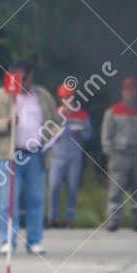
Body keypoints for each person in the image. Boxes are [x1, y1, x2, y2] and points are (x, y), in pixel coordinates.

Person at [0, 60, 52, 254]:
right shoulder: (1, 96)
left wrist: (49, 137)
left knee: (36, 198)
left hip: (36, 153)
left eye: (22, 76)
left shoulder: (43, 96)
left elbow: (55, 121)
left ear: (30, 76)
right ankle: (7, 240)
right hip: (10, 154)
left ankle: (34, 240)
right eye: (14, 76)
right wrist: (6, 123)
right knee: (8, 201)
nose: (18, 80)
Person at [102, 75, 137, 231]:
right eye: (128, 90)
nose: (131, 93)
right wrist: (109, 152)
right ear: (123, 92)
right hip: (119, 155)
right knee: (115, 189)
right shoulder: (113, 111)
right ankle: (113, 220)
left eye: (133, 90)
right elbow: (106, 134)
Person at [46, 80, 92, 228]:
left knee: (73, 187)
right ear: (61, 98)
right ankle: (52, 218)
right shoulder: (55, 114)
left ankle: (68, 218)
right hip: (57, 156)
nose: (67, 100)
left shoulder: (82, 114)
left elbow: (89, 134)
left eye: (69, 97)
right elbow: (46, 134)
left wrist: (81, 133)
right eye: (64, 97)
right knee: (54, 186)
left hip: (75, 156)